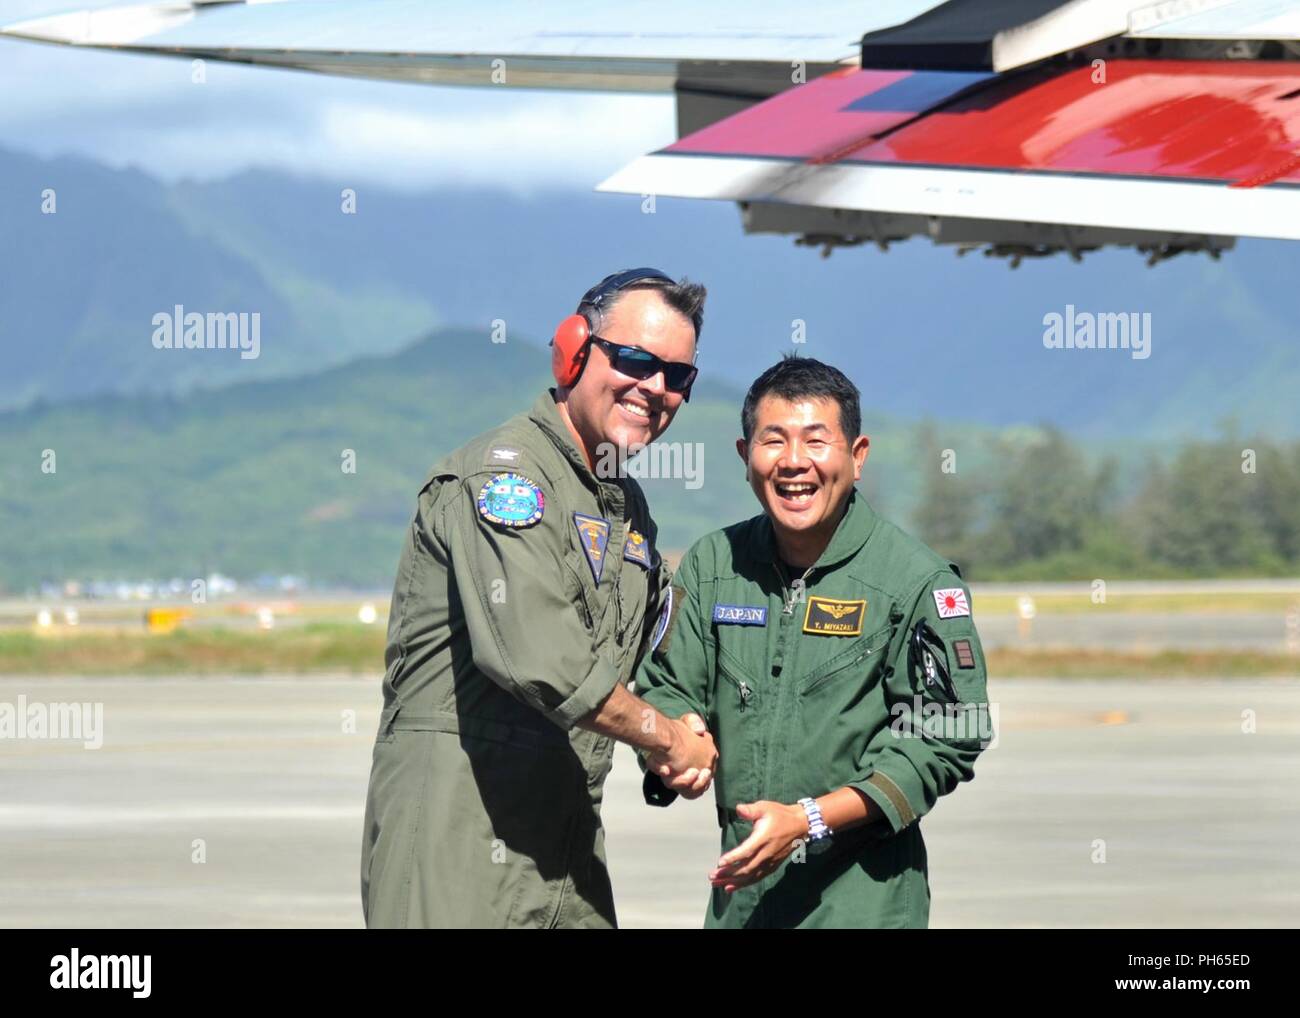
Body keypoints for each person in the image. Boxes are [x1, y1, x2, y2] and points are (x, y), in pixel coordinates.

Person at [361, 268, 718, 928]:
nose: (656, 389)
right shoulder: (506, 480)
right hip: (460, 840)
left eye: (678, 377)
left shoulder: (622, 506)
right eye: (636, 360)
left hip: (565, 843)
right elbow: (542, 661)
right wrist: (666, 739)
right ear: (573, 349)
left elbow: (666, 640)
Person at [635, 355, 993, 928]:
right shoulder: (710, 567)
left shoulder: (915, 583)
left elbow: (947, 736)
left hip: (864, 907)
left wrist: (809, 819)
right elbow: (666, 685)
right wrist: (674, 740)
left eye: (815, 441)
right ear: (744, 456)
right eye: (772, 441)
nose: (794, 462)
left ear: (857, 457)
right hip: (741, 904)